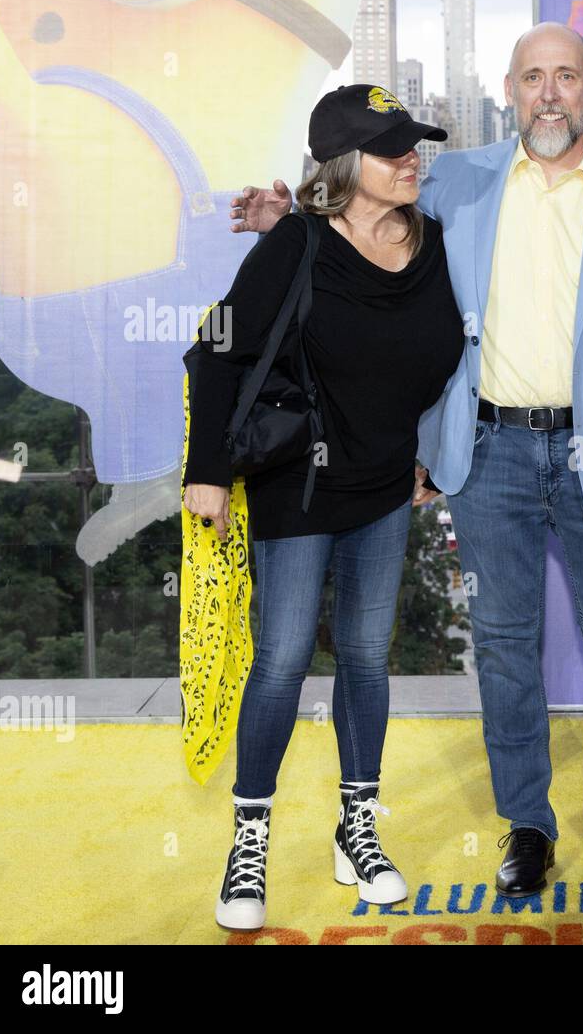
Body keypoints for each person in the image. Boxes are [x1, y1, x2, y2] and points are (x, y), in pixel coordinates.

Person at [235, 24, 583, 901]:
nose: (550, 94)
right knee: (507, 647)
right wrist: (288, 215)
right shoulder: (457, 184)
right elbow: (362, 209)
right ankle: (527, 824)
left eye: (566, 77)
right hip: (488, 452)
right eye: (532, 79)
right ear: (510, 91)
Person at [184, 85, 464, 930]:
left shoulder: (437, 244)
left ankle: (357, 826)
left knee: (369, 660)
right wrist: (205, 473)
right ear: (345, 168)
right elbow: (216, 353)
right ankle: (251, 838)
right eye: (391, 149)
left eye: (414, 143)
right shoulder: (297, 244)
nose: (411, 156)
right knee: (279, 662)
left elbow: (440, 365)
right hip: (297, 488)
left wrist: (430, 460)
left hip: (384, 488)